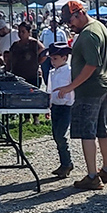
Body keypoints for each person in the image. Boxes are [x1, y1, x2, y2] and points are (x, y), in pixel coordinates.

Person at [56, 0, 107, 191]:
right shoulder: (99, 27)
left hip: (89, 90)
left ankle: (92, 176)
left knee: (87, 133)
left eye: (70, 21)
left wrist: (71, 86)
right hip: (104, 85)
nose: (69, 25)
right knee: (102, 128)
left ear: (79, 13)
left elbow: (92, 64)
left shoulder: (89, 34)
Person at [45, 42, 75, 179]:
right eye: (51, 59)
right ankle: (64, 163)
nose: (52, 61)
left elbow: (73, 88)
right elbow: (50, 90)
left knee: (60, 135)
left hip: (66, 106)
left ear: (64, 57)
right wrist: (48, 105)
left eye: (55, 59)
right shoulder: (52, 73)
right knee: (56, 135)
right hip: (56, 106)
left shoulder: (70, 71)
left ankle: (67, 163)